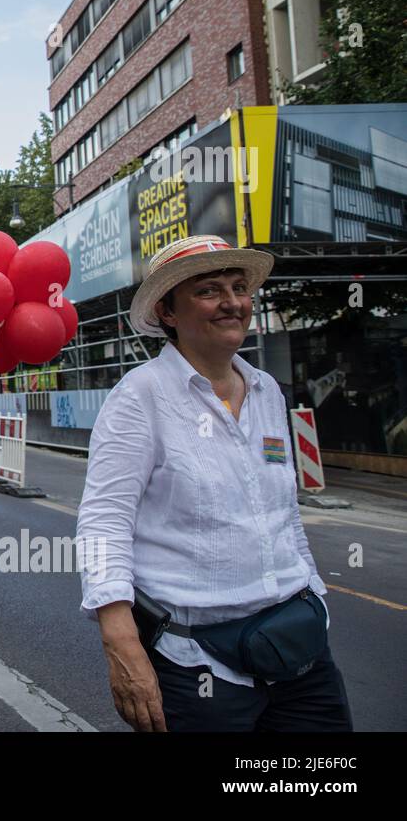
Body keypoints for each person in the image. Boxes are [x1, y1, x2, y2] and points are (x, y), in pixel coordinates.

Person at [75, 235, 350, 732]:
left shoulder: (266, 391)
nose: (232, 302)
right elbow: (103, 523)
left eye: (239, 287)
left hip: (299, 647)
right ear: (168, 312)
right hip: (197, 664)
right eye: (208, 290)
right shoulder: (140, 397)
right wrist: (121, 643)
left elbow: (282, 513)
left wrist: (311, 588)